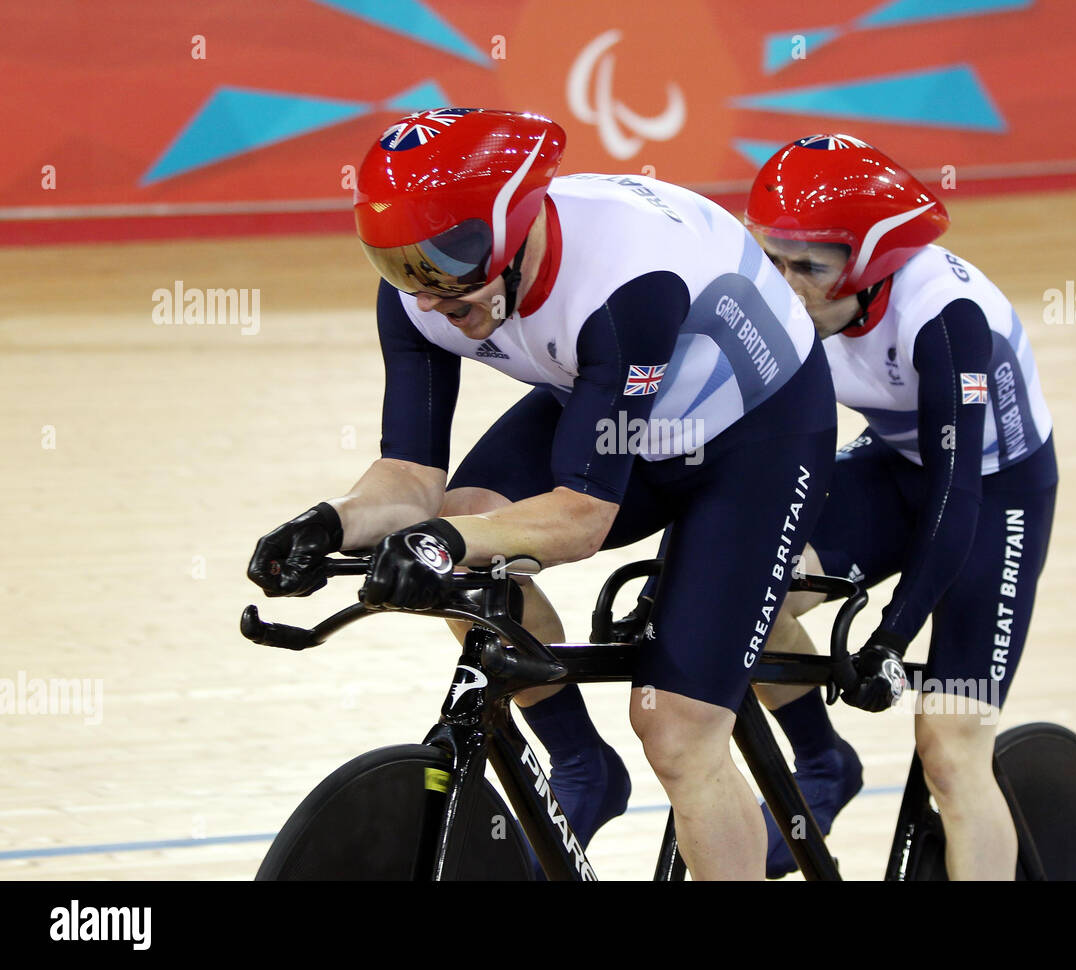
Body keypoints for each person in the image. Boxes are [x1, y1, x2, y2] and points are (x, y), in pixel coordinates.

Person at [245, 108, 838, 880]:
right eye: (395, 263)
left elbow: (584, 519)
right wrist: (329, 524)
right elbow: (409, 481)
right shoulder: (426, 291)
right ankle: (580, 761)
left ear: (513, 225)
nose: (424, 291)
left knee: (681, 734)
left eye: (443, 257)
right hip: (614, 397)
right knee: (460, 530)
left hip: (755, 439)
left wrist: (443, 543)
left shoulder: (627, 281)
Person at [743, 134, 1058, 879]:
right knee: (752, 592)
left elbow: (957, 497)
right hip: (895, 463)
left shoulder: (947, 318)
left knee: (950, 750)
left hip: (993, 493)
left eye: (810, 267)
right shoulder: (784, 296)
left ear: (871, 263)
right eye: (773, 257)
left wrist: (890, 637)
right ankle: (823, 762)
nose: (786, 285)